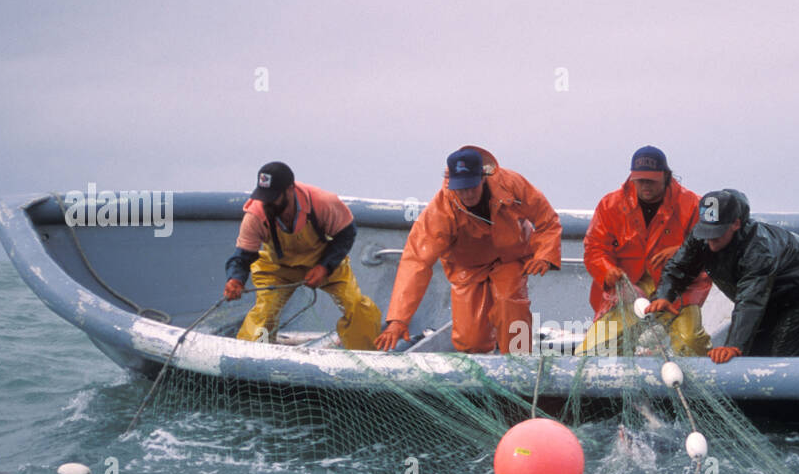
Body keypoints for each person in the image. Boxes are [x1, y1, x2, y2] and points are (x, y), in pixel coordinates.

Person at [374, 146, 561, 354]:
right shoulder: (439, 211)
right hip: (467, 268)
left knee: (511, 307)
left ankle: (521, 367)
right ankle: (483, 374)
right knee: (471, 341)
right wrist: (399, 320)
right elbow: (416, 261)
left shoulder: (512, 184)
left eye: (472, 186)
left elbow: (547, 219)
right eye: (461, 188)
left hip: (510, 258)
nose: (468, 194)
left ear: (482, 177)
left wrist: (544, 255)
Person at [648, 189, 799, 363]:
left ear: (735, 224)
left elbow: (750, 300)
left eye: (716, 235)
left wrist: (733, 345)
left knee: (785, 357)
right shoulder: (700, 237)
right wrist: (665, 295)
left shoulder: (758, 251)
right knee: (752, 353)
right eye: (706, 234)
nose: (710, 243)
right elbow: (678, 267)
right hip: (764, 289)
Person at [222, 162, 381, 348]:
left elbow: (346, 234)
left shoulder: (323, 202)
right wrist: (236, 279)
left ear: (290, 189)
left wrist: (325, 266)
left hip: (323, 263)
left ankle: (365, 356)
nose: (267, 204)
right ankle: (249, 360)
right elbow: (242, 256)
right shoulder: (255, 214)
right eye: (264, 197)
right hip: (277, 269)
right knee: (264, 314)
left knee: (356, 306)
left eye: (273, 197)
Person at [578, 146, 711, 355]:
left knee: (690, 341)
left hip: (678, 287)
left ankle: (706, 377)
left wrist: (684, 250)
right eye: (640, 180)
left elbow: (711, 245)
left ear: (666, 176)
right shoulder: (609, 205)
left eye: (651, 180)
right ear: (632, 178)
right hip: (627, 289)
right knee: (595, 350)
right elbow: (594, 248)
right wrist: (607, 271)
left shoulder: (694, 204)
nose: (645, 186)